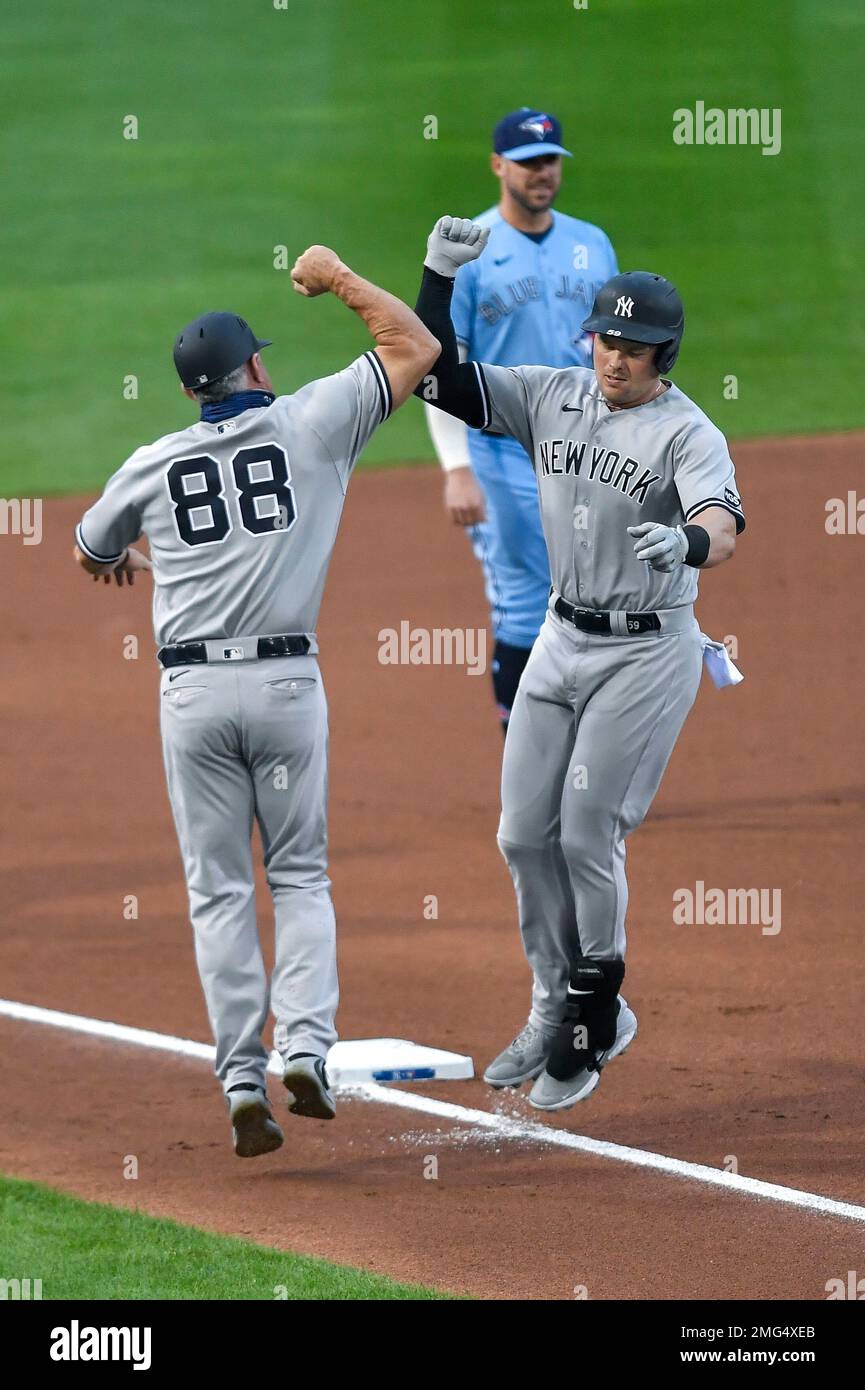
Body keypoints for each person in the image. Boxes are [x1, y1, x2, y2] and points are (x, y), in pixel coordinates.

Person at [73, 254, 439, 1156]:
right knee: (300, 875)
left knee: (218, 892)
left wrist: (136, 559)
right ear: (256, 371)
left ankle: (241, 1076)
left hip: (193, 696)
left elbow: (88, 547)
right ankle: (306, 1046)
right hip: (285, 687)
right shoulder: (314, 419)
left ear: (194, 390)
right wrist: (342, 279)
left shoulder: (153, 465)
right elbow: (415, 343)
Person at [415, 217, 745, 1111]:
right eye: (606, 340)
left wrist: (683, 540)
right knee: (522, 834)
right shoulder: (550, 393)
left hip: (645, 653)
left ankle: (593, 1017)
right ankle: (549, 1001)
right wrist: (438, 279)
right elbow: (439, 379)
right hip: (561, 641)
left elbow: (723, 526)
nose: (615, 361)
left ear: (663, 353)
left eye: (635, 349)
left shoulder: (687, 434)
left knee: (585, 832)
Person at [424, 108, 618, 732]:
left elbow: (620, 350)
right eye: (530, 162)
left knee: (593, 591)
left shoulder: (593, 244)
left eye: (551, 161)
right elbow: (441, 372)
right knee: (522, 602)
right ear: (498, 165)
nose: (543, 173)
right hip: (500, 452)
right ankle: (523, 744)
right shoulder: (470, 252)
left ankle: (585, 739)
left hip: (585, 449)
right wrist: (457, 469)